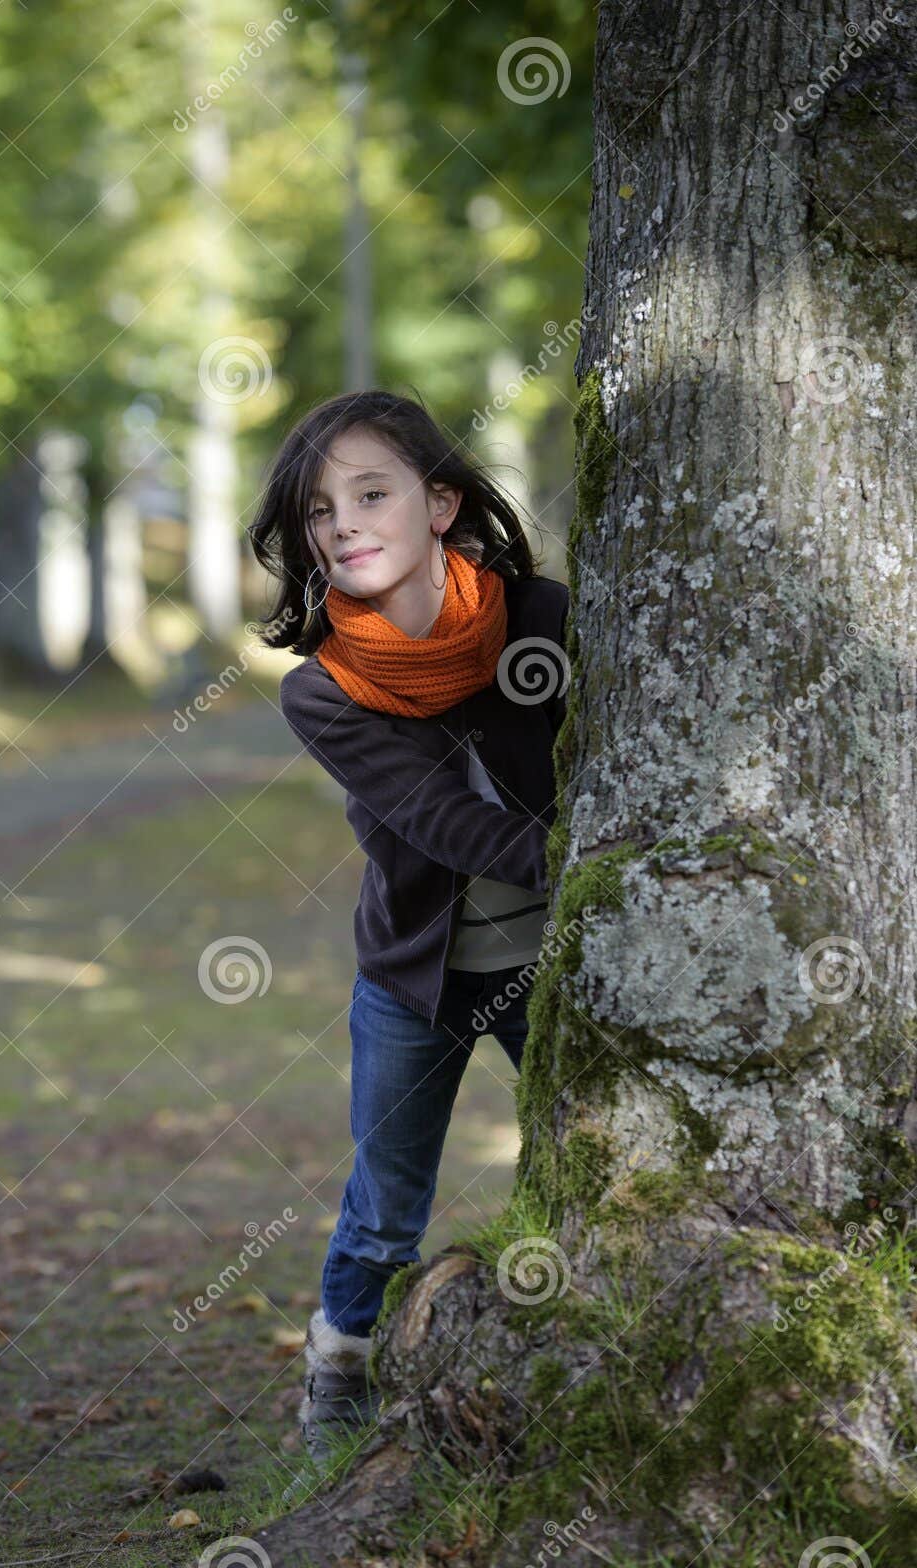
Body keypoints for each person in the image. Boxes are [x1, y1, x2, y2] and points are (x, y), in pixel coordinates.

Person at [248, 389, 569, 1493]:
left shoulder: (540, 618)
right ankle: (337, 1377)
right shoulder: (324, 689)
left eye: (369, 493)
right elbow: (438, 821)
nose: (341, 524)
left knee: (592, 1158)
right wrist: (586, 854)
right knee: (386, 1207)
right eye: (318, 513)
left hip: (554, 966)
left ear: (441, 503)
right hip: (416, 979)